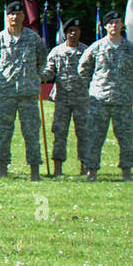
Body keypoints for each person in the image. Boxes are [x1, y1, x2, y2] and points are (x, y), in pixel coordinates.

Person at [79, 11, 133, 182]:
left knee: (126, 137)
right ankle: (91, 171)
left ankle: (127, 172)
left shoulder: (131, 49)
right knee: (95, 137)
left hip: (122, 101)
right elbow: (83, 69)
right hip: (99, 101)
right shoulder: (96, 48)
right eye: (110, 23)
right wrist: (96, 86)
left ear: (122, 25)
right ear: (105, 26)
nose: (114, 26)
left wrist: (126, 85)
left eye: (117, 22)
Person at [0, 1, 47, 179]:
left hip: (28, 95)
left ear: (23, 16)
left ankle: (35, 170)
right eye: (11, 14)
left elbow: (43, 60)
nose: (15, 17)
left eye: (18, 14)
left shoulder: (33, 38)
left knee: (32, 133)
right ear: (7, 16)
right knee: (3, 132)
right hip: (6, 94)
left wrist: (34, 78)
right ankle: (2, 169)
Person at [40, 18, 89, 176]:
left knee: (83, 133)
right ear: (65, 34)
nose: (73, 34)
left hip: (82, 99)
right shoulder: (56, 52)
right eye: (70, 31)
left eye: (76, 31)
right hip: (62, 99)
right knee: (59, 133)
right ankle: (58, 167)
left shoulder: (87, 51)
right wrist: (40, 76)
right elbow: (49, 71)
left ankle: (85, 166)